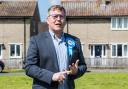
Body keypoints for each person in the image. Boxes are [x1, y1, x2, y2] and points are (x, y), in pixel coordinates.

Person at [24, 5, 87, 89]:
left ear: (65, 20)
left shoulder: (75, 41)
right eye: (55, 16)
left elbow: (83, 65)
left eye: (61, 16)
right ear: (48, 20)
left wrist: (76, 71)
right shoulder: (36, 41)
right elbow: (29, 67)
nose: (58, 19)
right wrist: (51, 76)